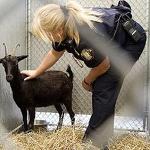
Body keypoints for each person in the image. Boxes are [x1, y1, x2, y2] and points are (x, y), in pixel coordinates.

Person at [21, 0, 146, 148]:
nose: (48, 38)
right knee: (104, 88)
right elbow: (54, 53)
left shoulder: (84, 37)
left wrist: (87, 81)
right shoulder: (65, 27)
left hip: (130, 41)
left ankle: (93, 142)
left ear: (58, 30)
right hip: (114, 41)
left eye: (48, 34)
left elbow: (103, 65)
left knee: (103, 87)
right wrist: (37, 71)